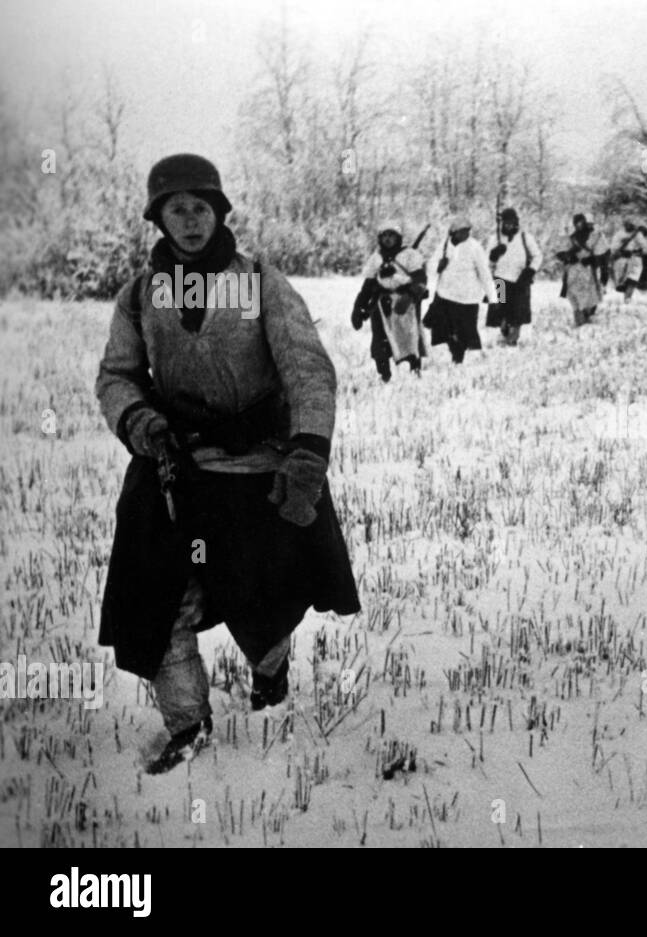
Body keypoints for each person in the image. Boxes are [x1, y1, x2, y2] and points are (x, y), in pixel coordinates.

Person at [96, 153, 360, 774]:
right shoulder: (140, 296)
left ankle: (269, 678)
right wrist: (139, 419)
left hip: (254, 468)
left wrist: (307, 452)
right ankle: (188, 723)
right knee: (158, 600)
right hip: (173, 473)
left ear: (219, 213)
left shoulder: (262, 282)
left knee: (263, 598)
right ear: (158, 218)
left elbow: (307, 370)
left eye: (200, 208)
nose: (190, 221)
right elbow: (117, 376)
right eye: (176, 209)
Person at [351, 219, 428, 381]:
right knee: (380, 342)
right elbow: (368, 286)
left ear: (398, 237)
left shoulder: (410, 255)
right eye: (384, 235)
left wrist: (409, 296)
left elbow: (420, 281)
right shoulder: (376, 259)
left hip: (405, 305)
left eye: (391, 235)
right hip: (382, 304)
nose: (387, 239)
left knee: (410, 339)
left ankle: (415, 372)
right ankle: (384, 376)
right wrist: (358, 308)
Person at [423, 215, 494, 364]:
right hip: (445, 295)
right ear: (453, 232)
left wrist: (494, 297)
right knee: (447, 332)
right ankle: (456, 357)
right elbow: (431, 267)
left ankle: (477, 360)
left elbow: (485, 273)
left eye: (467, 231)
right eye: (461, 231)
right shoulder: (444, 245)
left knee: (468, 332)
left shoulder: (475, 247)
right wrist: (438, 266)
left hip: (468, 298)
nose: (465, 234)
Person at [485, 207, 541, 346]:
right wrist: (493, 255)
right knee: (499, 311)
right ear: (502, 223)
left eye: (511, 222)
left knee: (518, 311)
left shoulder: (525, 237)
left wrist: (531, 270)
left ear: (516, 222)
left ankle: (513, 338)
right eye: (506, 222)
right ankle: (504, 330)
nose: (508, 225)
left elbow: (537, 256)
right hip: (500, 279)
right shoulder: (495, 239)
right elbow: (486, 261)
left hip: (520, 279)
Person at [557, 213, 609, 326]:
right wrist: (569, 256)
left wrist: (593, 260)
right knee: (573, 292)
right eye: (577, 223)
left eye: (581, 222)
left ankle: (587, 316)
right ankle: (579, 318)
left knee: (591, 294)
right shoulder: (572, 237)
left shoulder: (594, 236)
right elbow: (561, 252)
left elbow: (602, 253)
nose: (579, 225)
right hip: (573, 268)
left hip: (589, 269)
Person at [611, 219, 647, 301]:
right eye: (627, 224)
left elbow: (645, 247)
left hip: (635, 258)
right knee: (624, 281)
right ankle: (626, 296)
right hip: (622, 259)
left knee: (632, 280)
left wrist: (646, 253)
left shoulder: (638, 234)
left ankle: (627, 299)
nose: (629, 226)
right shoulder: (619, 234)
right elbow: (613, 247)